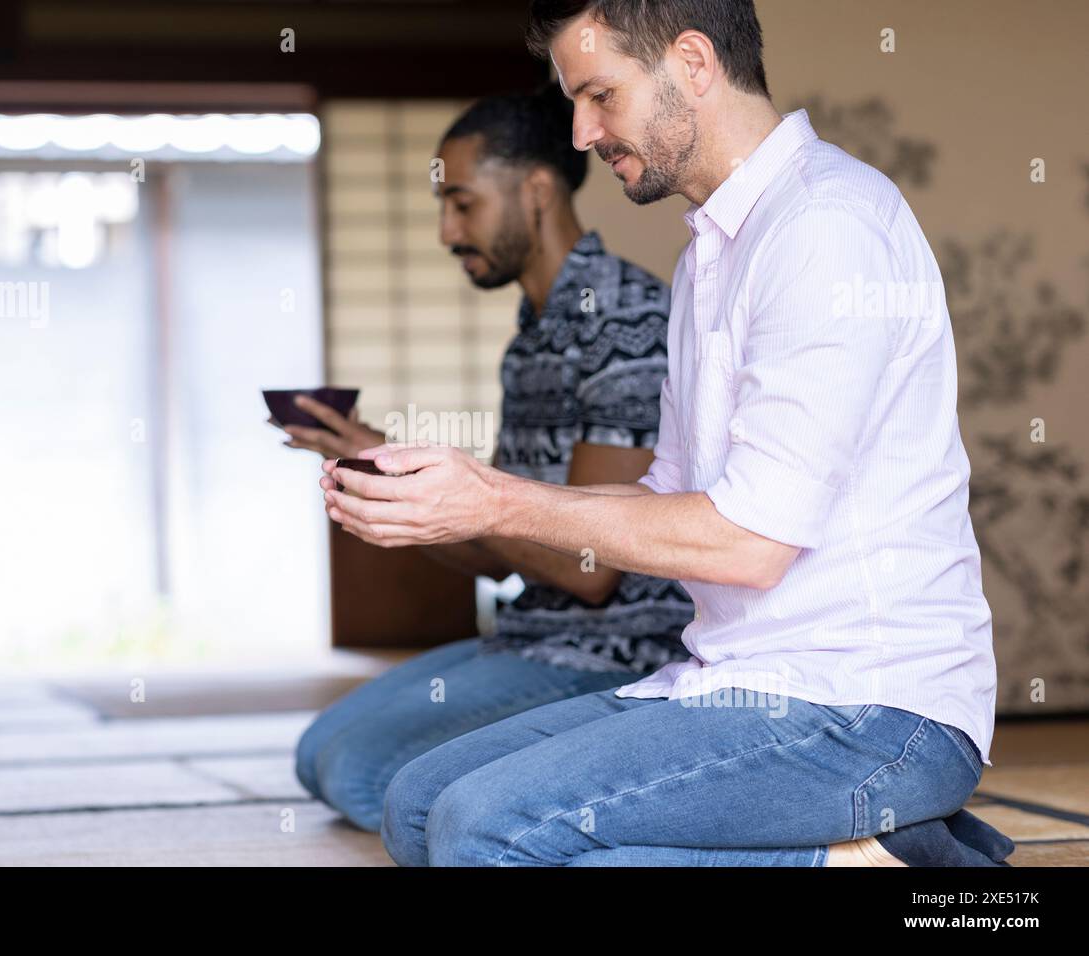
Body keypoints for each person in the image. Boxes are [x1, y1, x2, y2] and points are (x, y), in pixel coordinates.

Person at [322, 0, 1015, 866]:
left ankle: (867, 855)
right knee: (419, 804)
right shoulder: (712, 252)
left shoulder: (826, 228)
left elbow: (748, 544)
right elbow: (666, 500)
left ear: (692, 62)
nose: (580, 132)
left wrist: (495, 497)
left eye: (600, 95)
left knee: (484, 831)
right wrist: (461, 498)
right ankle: (853, 852)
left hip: (868, 710)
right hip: (728, 683)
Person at [280, 86, 695, 832]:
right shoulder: (532, 336)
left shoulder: (624, 319)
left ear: (536, 191)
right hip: (533, 636)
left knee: (361, 768)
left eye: (463, 204)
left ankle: (607, 796)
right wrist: (383, 476)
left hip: (616, 656)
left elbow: (587, 567)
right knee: (317, 753)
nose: (446, 230)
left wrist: (445, 487)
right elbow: (504, 555)